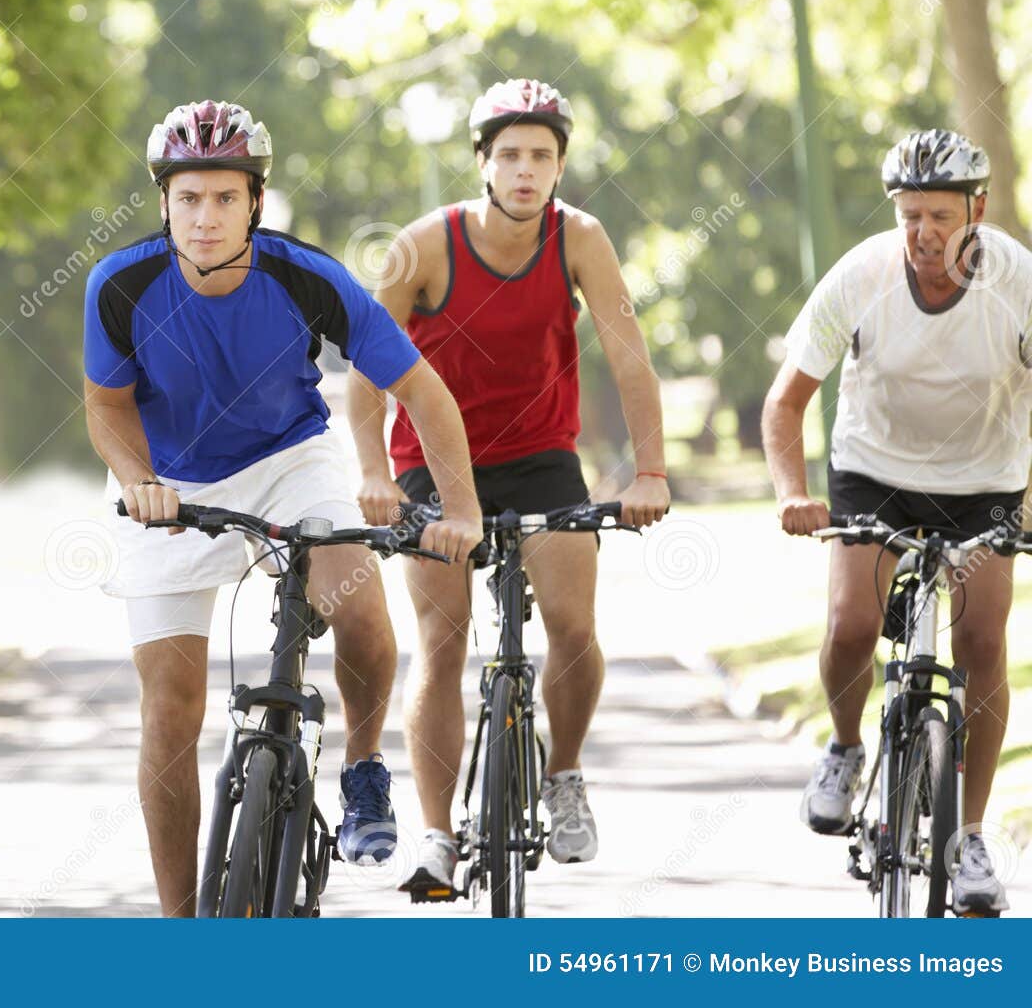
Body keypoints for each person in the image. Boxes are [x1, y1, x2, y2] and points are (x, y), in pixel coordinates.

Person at [82, 99, 484, 915]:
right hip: (170, 482)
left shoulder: (307, 274)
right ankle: (179, 925)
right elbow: (105, 403)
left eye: (225, 198)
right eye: (189, 198)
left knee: (363, 614)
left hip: (290, 459)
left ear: (255, 203)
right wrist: (135, 478)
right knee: (168, 708)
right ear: (163, 201)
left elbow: (423, 390)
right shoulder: (118, 284)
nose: (205, 217)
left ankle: (365, 763)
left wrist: (463, 509)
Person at [346, 78, 670, 898]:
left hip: (540, 456)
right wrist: (376, 474)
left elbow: (629, 355)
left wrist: (651, 469)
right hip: (433, 462)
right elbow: (363, 373)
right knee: (443, 636)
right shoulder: (421, 247)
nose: (527, 170)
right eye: (511, 154)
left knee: (571, 623)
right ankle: (436, 835)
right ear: (483, 162)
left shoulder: (580, 239)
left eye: (543, 155)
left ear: (560, 166)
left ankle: (563, 772)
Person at [764, 128, 1029, 915]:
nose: (923, 234)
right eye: (910, 214)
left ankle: (970, 835)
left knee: (982, 643)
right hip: (873, 472)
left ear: (977, 209)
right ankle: (845, 747)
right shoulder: (863, 275)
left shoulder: (1017, 280)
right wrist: (790, 491)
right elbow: (785, 401)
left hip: (983, 481)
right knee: (851, 622)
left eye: (941, 216)